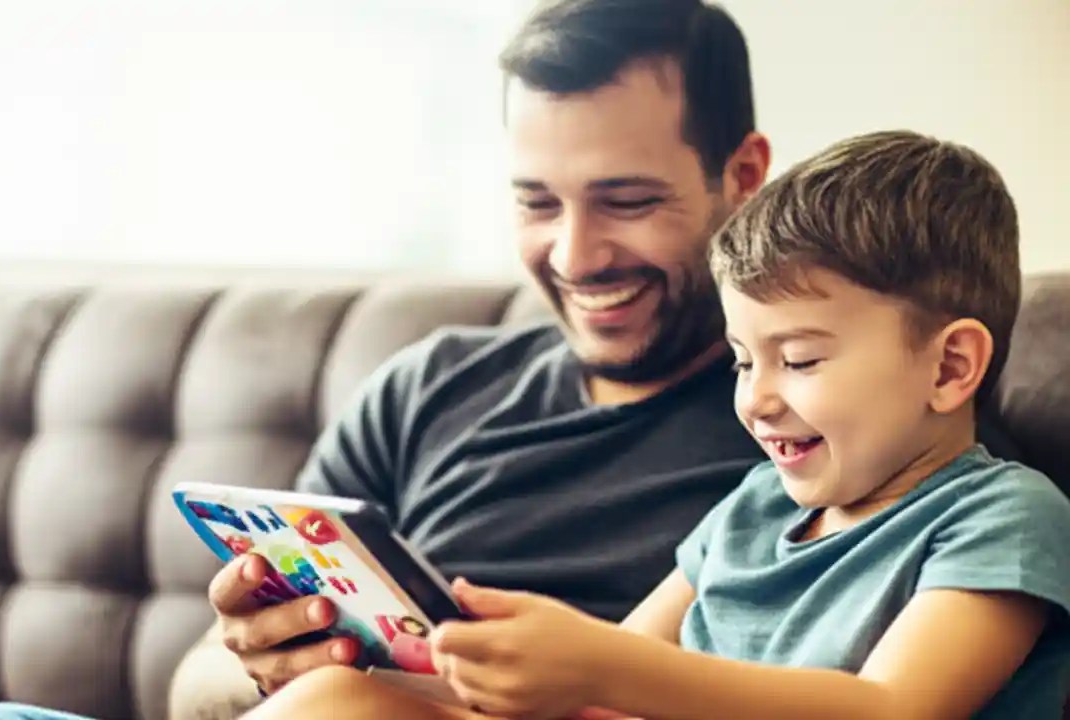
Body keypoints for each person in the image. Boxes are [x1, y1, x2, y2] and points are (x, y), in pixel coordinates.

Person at [244, 131, 1070, 720]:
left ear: (951, 367)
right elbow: (611, 676)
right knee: (338, 699)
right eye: (745, 360)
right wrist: (481, 662)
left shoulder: (1001, 518)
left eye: (802, 360)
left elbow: (887, 709)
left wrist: (604, 664)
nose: (757, 399)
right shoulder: (754, 507)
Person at [170, 0, 775, 713]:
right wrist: (261, 667)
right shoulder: (427, 388)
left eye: (630, 201)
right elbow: (196, 683)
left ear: (741, 176)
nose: (576, 257)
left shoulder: (807, 433)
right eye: (538, 204)